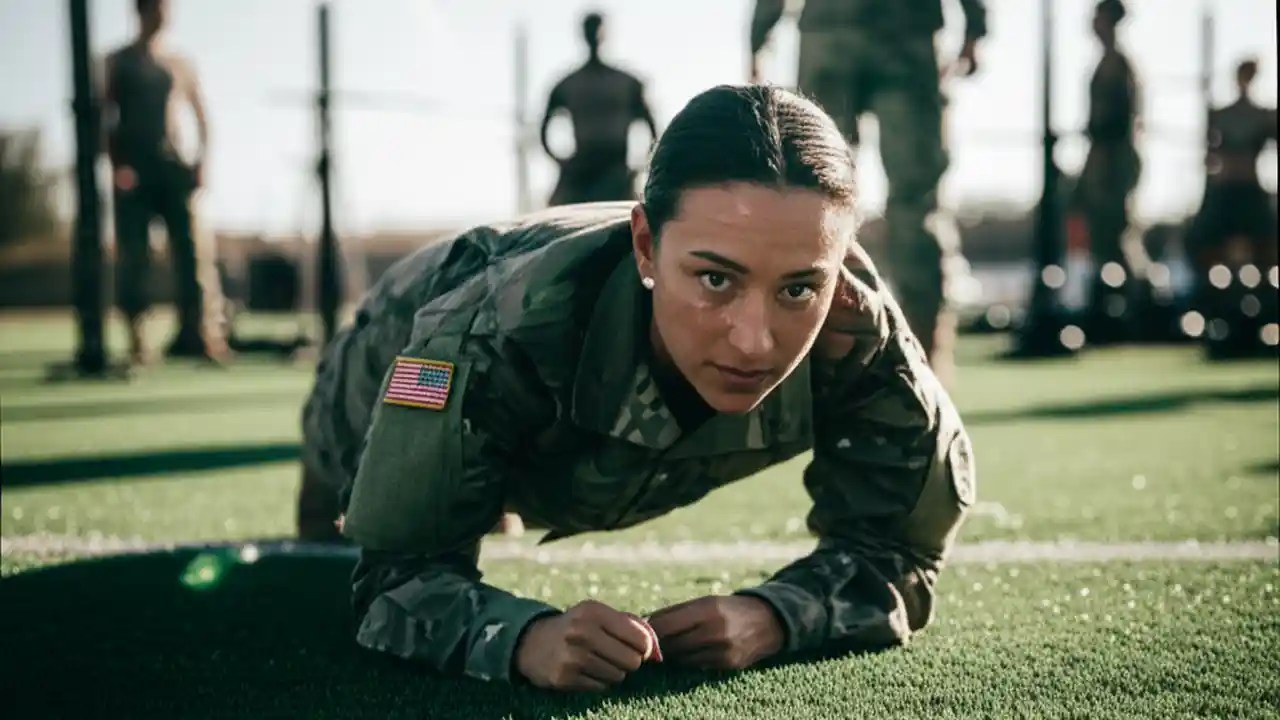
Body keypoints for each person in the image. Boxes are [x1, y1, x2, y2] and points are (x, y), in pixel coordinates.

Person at [299, 85, 975, 691]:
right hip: (384, 362)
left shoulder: (857, 335)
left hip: (544, 420)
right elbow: (397, 579)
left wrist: (774, 615)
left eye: (800, 288)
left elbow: (898, 550)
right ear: (646, 246)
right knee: (307, 582)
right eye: (715, 279)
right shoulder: (488, 332)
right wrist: (521, 639)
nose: (755, 341)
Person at [749, 0, 987, 386]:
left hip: (834, 32)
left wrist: (759, 37)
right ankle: (922, 365)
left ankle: (814, 355)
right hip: (903, 33)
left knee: (814, 195)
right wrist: (976, 27)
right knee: (915, 204)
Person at [103, 0, 229, 365]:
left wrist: (202, 161)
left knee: (194, 255)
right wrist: (117, 165)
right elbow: (106, 118)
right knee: (135, 255)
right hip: (134, 172)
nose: (162, 16)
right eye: (155, 8)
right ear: (140, 11)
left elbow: (202, 116)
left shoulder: (180, 63)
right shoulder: (118, 61)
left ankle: (200, 335)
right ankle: (137, 342)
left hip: (174, 167)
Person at [1073, 0, 1142, 343]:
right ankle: (1120, 307)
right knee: (1104, 238)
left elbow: (1117, 123)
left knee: (1115, 236)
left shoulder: (1118, 65)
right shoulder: (1109, 63)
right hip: (1104, 161)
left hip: (1112, 163)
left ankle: (1133, 309)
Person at [540, 12, 659, 206]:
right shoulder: (568, 85)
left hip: (616, 169)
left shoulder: (626, 83)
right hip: (580, 169)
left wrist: (638, 166)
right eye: (589, 30)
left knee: (627, 225)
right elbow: (544, 128)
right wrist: (562, 163)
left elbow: (651, 127)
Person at [1189, 58, 1278, 277]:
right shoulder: (1223, 115)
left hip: (1249, 188)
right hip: (1226, 189)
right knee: (1201, 240)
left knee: (1267, 243)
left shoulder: (1262, 116)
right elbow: (1210, 154)